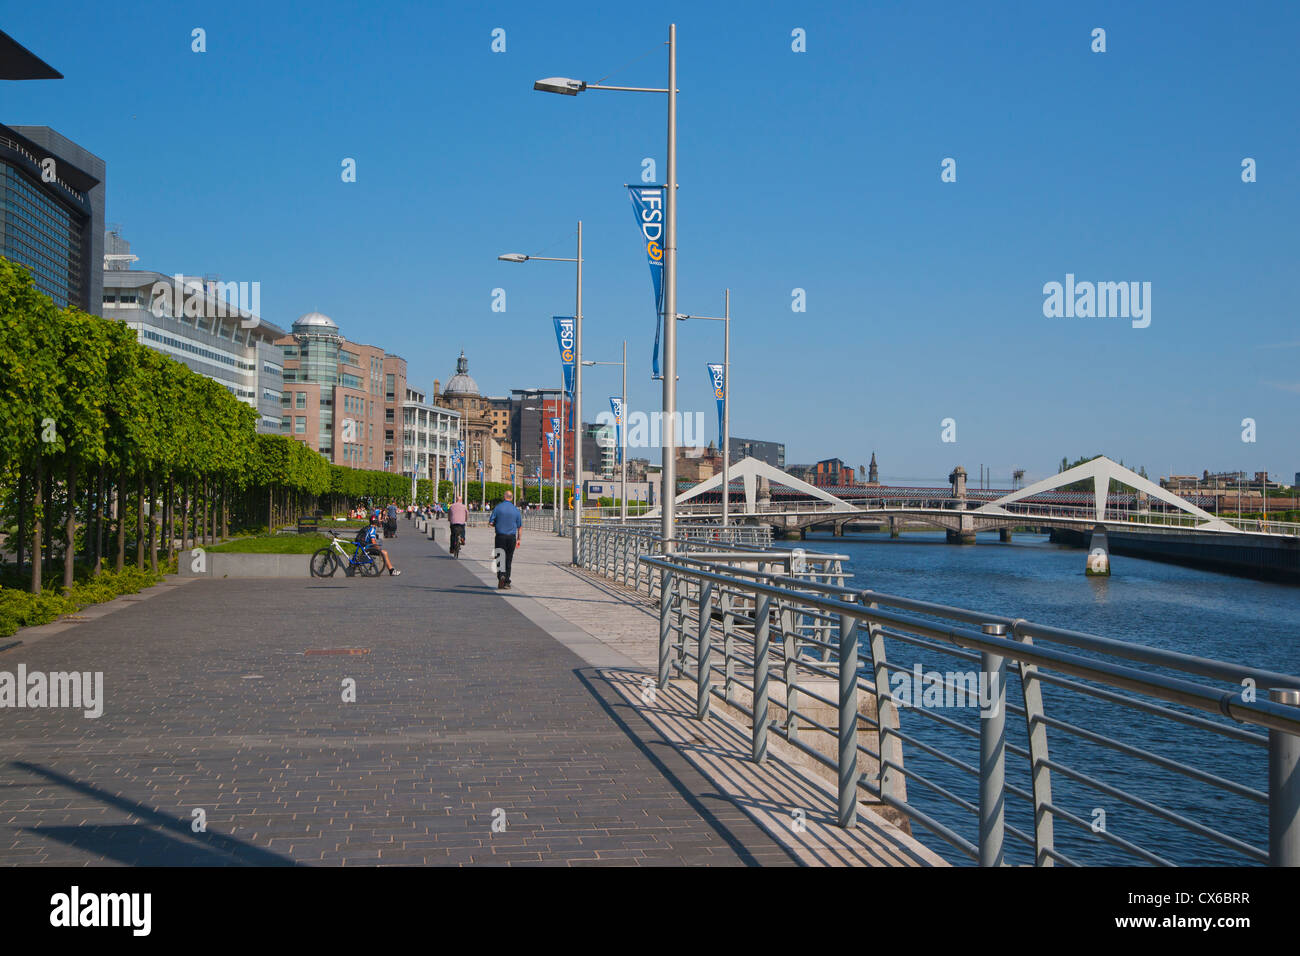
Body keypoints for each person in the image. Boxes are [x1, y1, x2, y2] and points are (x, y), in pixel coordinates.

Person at [488, 490, 523, 590]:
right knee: (508, 559)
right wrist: (519, 539)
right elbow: (519, 527)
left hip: (500, 536)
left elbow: (491, 522)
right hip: (511, 538)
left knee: (499, 557)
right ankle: (507, 581)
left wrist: (496, 524)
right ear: (511, 498)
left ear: (504, 497)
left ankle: (501, 576)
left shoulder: (498, 508)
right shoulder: (516, 510)